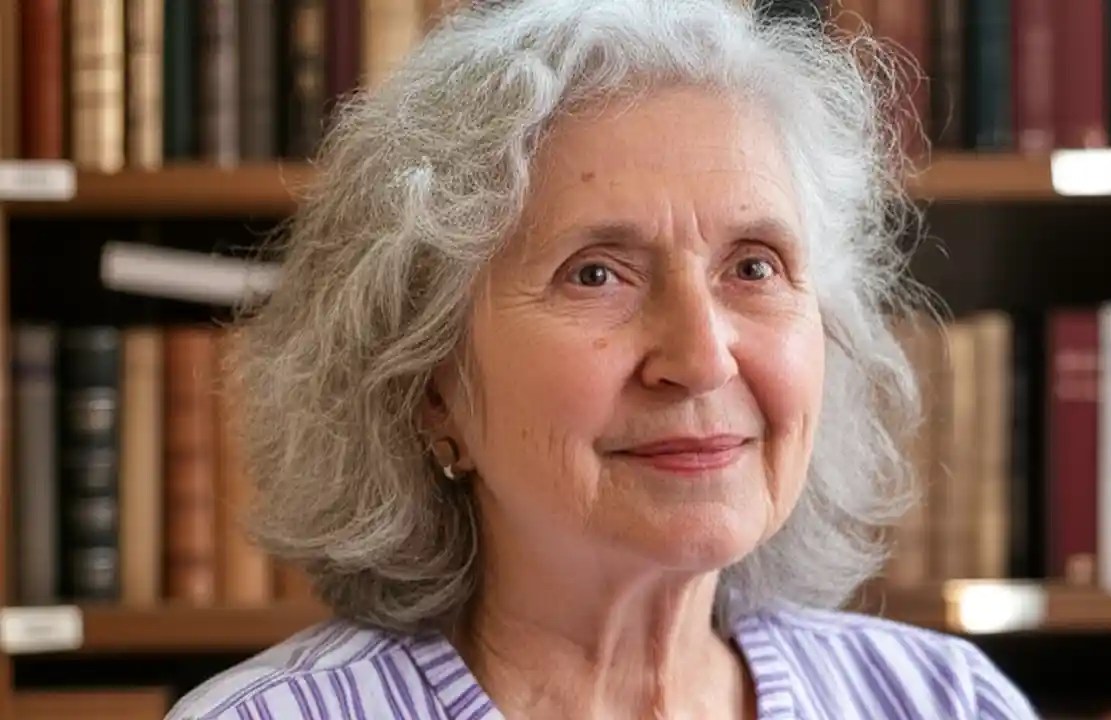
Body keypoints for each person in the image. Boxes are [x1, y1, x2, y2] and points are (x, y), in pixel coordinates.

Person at [168, 0, 1039, 717]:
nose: (701, 359)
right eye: (596, 273)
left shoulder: (944, 701)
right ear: (429, 389)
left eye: (754, 266)